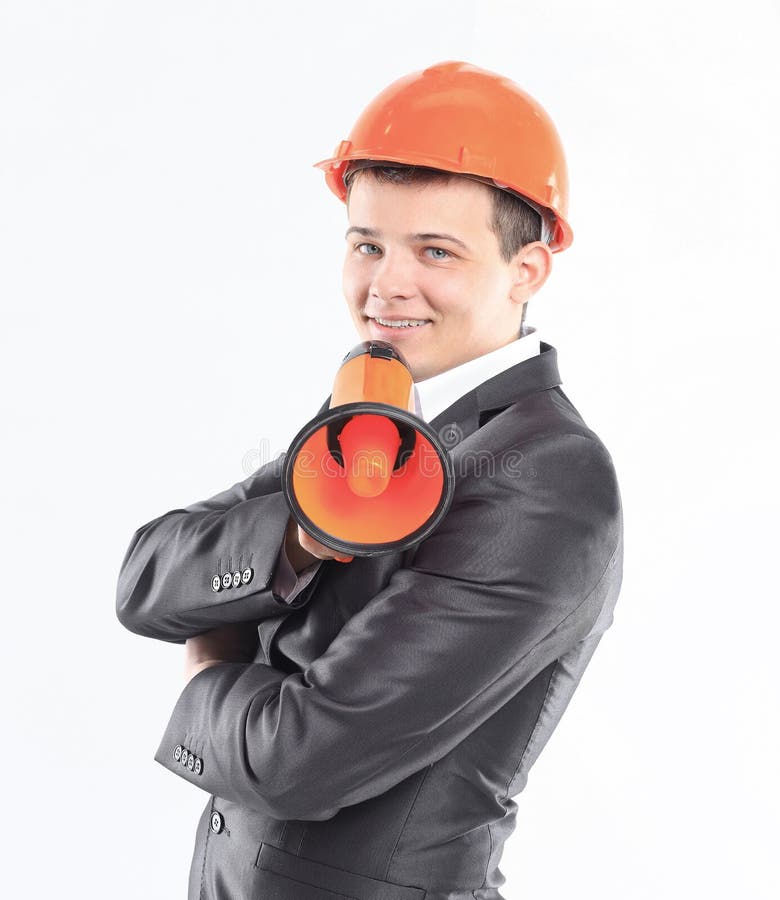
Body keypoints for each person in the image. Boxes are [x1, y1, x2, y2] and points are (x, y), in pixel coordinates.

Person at [116, 60, 623, 900]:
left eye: (435, 251)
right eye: (367, 244)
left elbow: (298, 762)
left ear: (527, 271)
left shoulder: (550, 479)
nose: (386, 285)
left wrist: (208, 667)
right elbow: (144, 581)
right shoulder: (378, 408)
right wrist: (298, 538)